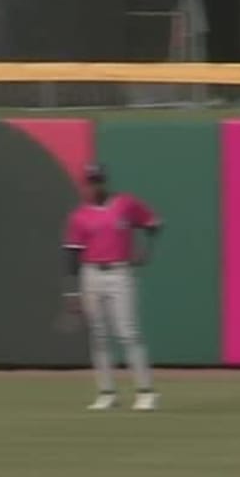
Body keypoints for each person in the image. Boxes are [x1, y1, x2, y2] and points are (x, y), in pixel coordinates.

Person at [61, 162, 162, 411]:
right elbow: (72, 256)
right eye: (89, 182)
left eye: (97, 181)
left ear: (104, 182)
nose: (93, 187)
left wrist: (145, 251)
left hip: (119, 272)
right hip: (91, 273)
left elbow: (153, 223)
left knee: (128, 332)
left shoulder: (125, 204)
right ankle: (107, 393)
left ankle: (146, 392)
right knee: (99, 336)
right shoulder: (79, 216)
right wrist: (72, 291)